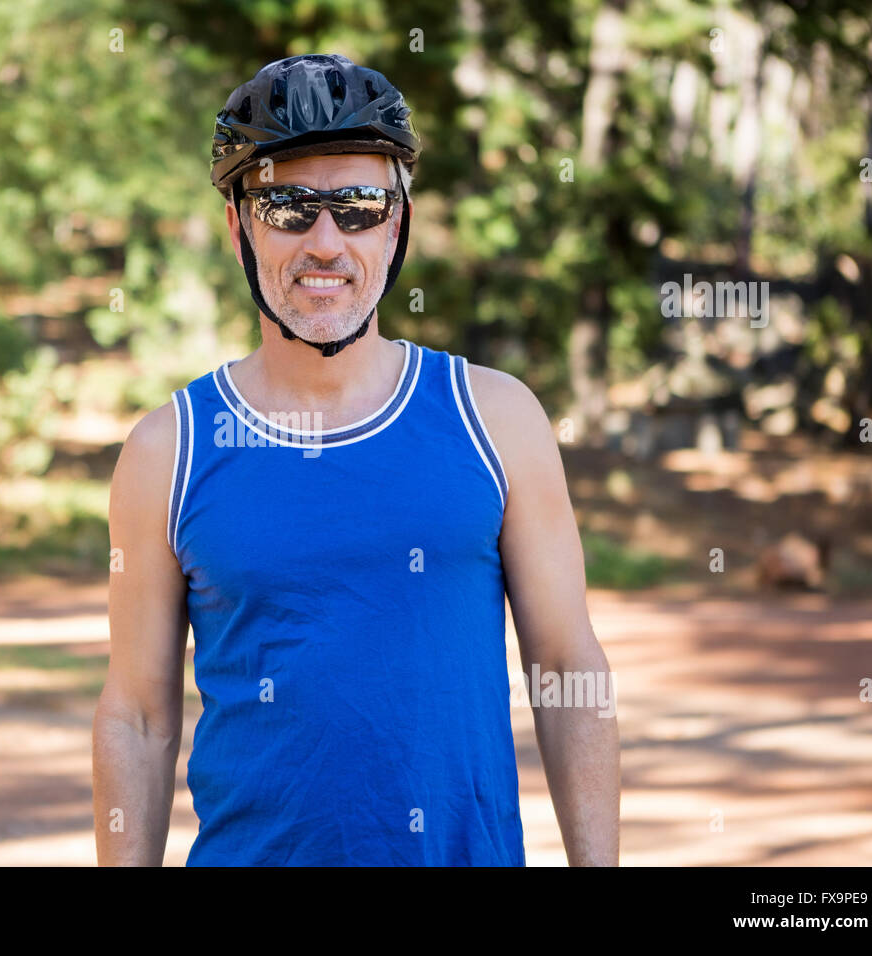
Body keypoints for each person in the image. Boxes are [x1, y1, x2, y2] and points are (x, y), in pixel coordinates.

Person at [93, 53, 619, 866]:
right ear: (240, 227)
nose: (327, 241)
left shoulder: (495, 417)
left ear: (398, 224)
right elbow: (137, 716)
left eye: (360, 204)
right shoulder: (169, 450)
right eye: (287, 205)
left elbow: (566, 665)